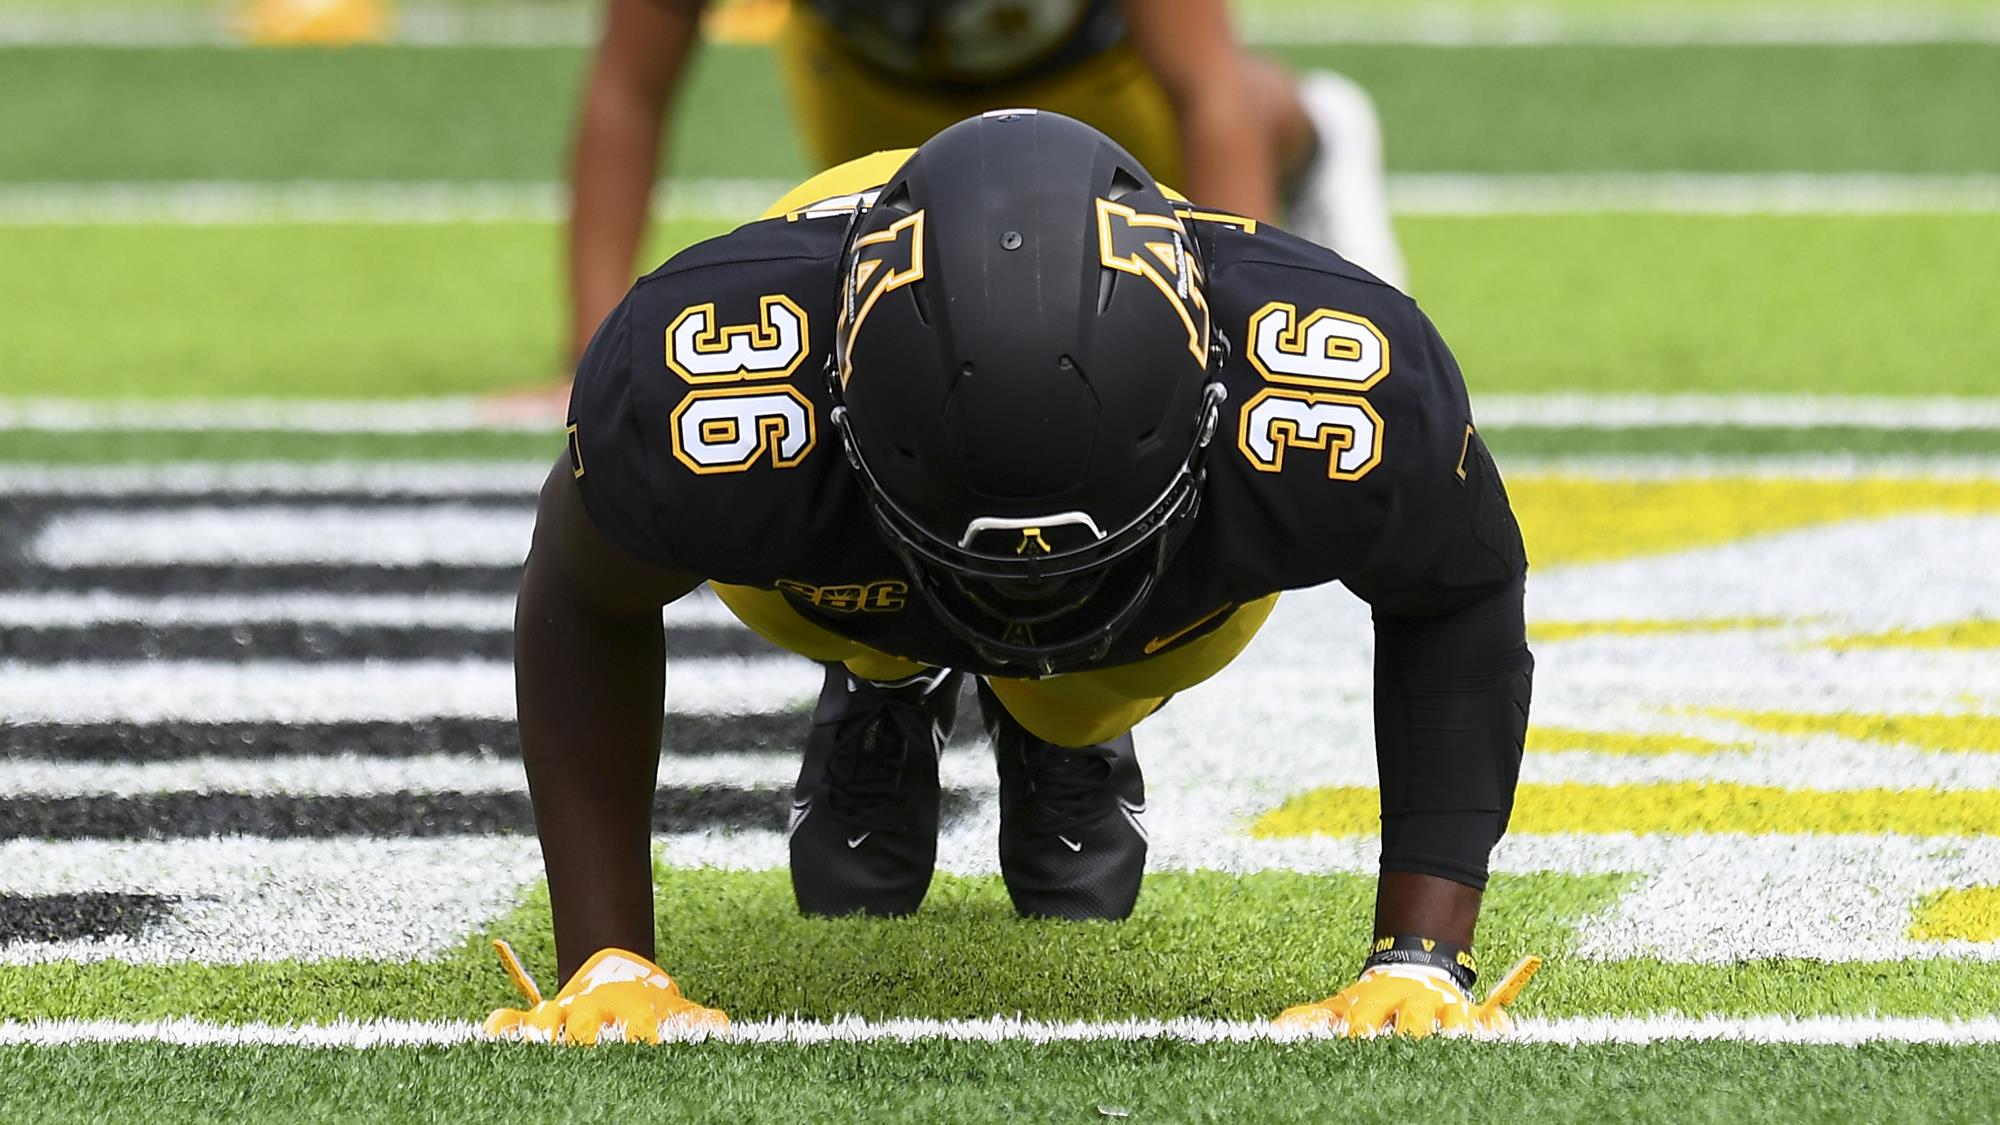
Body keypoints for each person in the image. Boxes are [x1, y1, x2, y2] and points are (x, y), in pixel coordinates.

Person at [489, 110, 1533, 1045]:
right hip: (846, 552)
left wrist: (1421, 954)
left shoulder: (1327, 386)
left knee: (1078, 682)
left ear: (1211, 408)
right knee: (838, 600)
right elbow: (584, 591)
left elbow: (1456, 593)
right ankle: (883, 676)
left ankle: (1065, 729)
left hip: (1097, 583)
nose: (1021, 619)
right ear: (838, 411)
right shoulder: (721, 383)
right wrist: (604, 957)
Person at [564, 0, 1406, 373]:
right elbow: (628, 91)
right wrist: (593, 352)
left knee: (1245, 105)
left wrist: (1240, 332)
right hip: (882, 111)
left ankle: (1315, 138)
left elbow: (1206, 91)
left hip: (1101, 103)